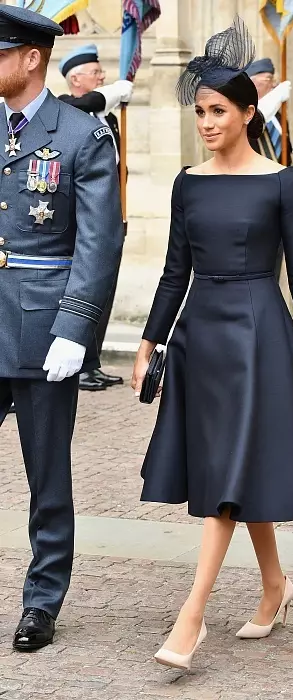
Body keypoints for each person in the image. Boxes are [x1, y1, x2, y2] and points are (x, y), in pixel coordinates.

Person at [131, 17, 293, 672]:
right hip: (200, 340)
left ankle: (189, 619)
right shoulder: (187, 182)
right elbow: (172, 272)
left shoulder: (283, 183)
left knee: (225, 478)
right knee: (230, 470)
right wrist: (149, 341)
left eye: (218, 110)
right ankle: (275, 585)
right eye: (200, 111)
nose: (207, 122)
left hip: (259, 340)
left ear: (248, 112)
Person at [0, 5, 123, 650]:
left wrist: (76, 329)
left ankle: (42, 601)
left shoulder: (81, 136)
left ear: (30, 59)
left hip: (43, 328)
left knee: (47, 476)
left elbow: (99, 245)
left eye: (0, 53)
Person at [57, 44, 133, 390]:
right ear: (76, 78)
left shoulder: (109, 116)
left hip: (112, 217)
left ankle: (93, 361)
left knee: (105, 290)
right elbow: (80, 105)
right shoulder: (65, 106)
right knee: (83, 289)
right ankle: (82, 363)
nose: (102, 76)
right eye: (96, 72)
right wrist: (110, 93)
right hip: (78, 224)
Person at [247, 58, 291, 281]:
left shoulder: (278, 115)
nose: (274, 85)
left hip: (280, 198)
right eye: (268, 80)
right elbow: (254, 123)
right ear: (253, 84)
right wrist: (276, 97)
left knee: (276, 262)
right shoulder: (246, 114)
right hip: (255, 199)